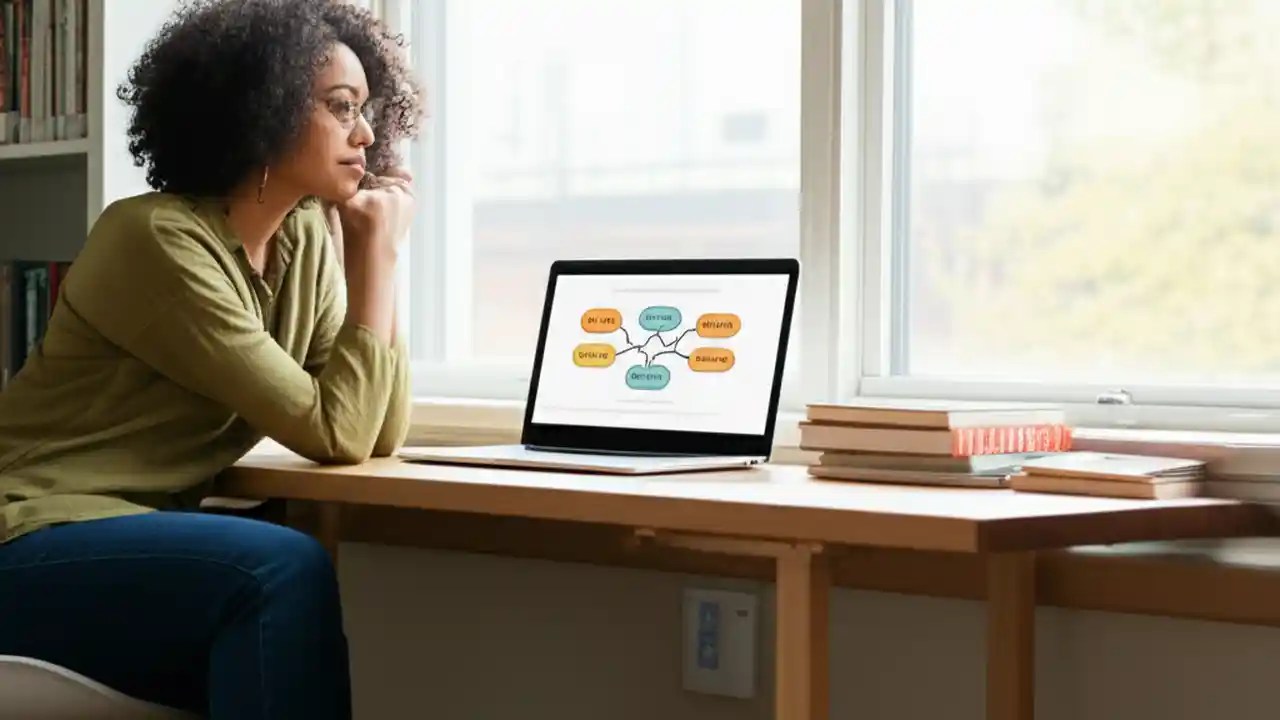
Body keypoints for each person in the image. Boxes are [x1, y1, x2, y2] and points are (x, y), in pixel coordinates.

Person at [0, 1, 423, 717]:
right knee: (276, 568)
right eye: (341, 108)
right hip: (28, 538)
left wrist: (367, 255)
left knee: (271, 569)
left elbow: (376, 430)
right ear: (264, 109)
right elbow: (338, 430)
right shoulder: (154, 239)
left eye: (368, 109)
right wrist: (375, 256)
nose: (368, 134)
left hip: (124, 543)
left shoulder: (304, 243)